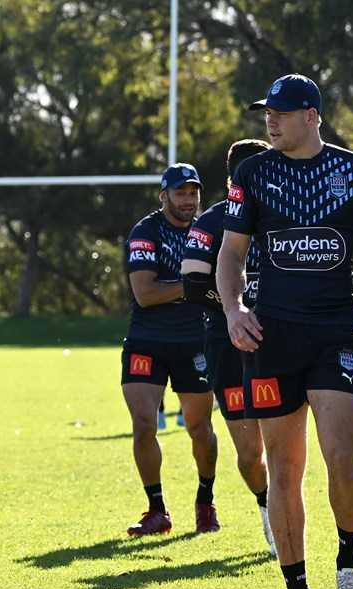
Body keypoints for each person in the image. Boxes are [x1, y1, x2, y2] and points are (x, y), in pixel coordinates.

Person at [216, 74, 353, 589]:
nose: (271, 121)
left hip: (335, 333)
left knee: (341, 457)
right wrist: (234, 310)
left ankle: (348, 566)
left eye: (281, 113)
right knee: (284, 468)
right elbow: (230, 255)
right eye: (267, 113)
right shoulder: (252, 173)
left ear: (312, 116)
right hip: (271, 338)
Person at [181, 138, 276, 557]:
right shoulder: (212, 222)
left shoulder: (285, 214)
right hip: (227, 343)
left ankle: (287, 517)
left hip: (280, 341)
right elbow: (192, 284)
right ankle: (267, 507)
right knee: (251, 454)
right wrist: (236, 312)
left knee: (286, 443)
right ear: (236, 176)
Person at [121, 163, 220, 536]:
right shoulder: (146, 232)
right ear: (164, 196)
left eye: (193, 193)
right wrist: (194, 283)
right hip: (147, 341)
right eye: (180, 193)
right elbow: (145, 294)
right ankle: (157, 509)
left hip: (195, 341)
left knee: (199, 427)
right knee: (144, 426)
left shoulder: (208, 230)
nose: (188, 200)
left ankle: (205, 502)